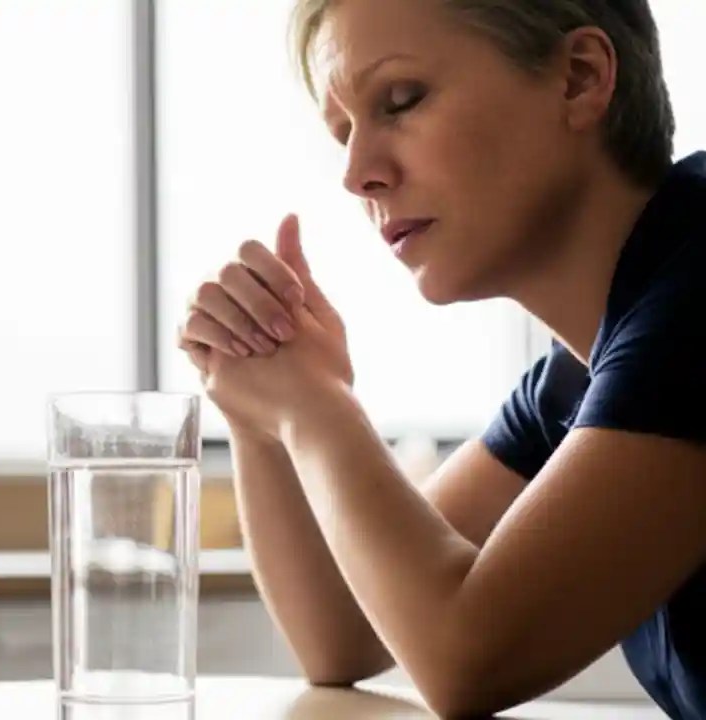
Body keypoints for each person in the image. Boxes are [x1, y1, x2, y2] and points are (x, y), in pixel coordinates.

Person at [176, 1, 706, 717]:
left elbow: (468, 656)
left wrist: (313, 409)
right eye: (343, 133)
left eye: (401, 101)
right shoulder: (576, 376)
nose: (357, 173)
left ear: (580, 78)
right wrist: (259, 412)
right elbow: (347, 637)